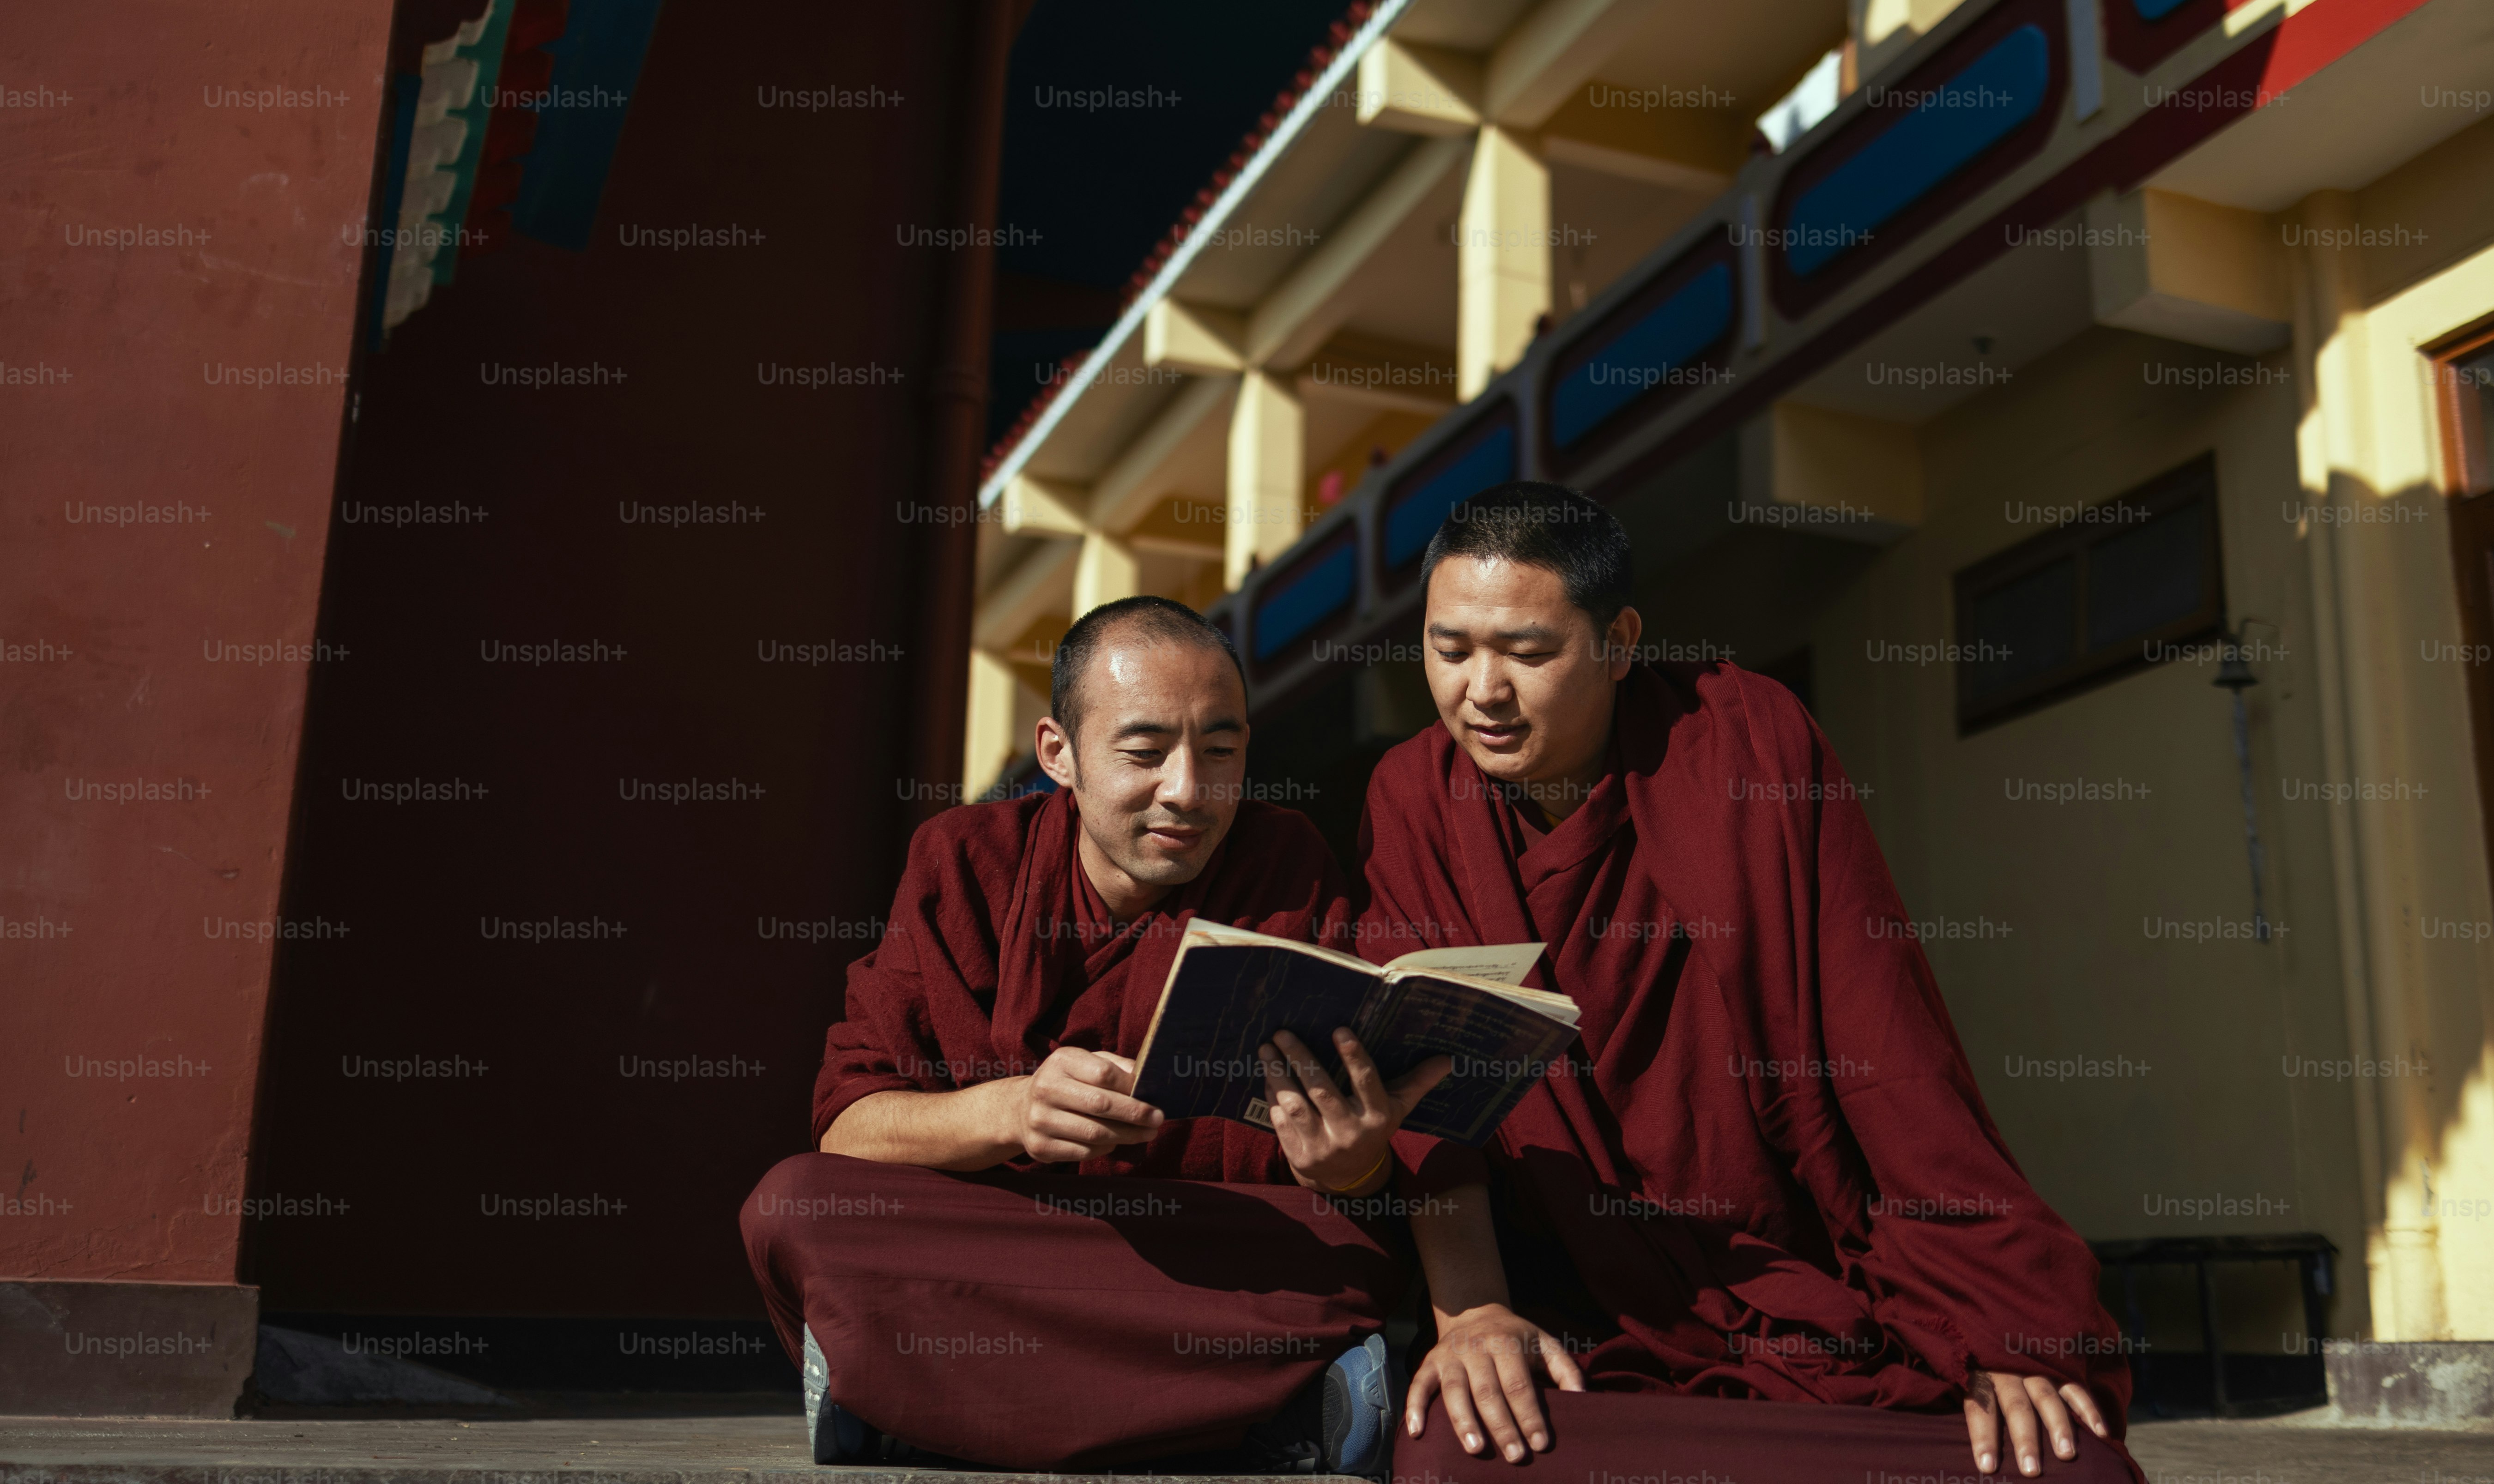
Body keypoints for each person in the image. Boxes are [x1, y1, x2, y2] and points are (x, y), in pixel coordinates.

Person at [1356, 483, 2142, 1484]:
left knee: (2070, 1461)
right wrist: (1473, 1314)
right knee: (1450, 1456)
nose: (1483, 691)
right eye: (1450, 648)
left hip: (1815, 1282)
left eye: (1529, 650)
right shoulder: (1413, 798)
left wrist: (1993, 1323)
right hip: (1599, 1308)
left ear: (1620, 637)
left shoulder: (1742, 740)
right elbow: (1437, 1101)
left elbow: (1888, 1040)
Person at [742, 596, 1446, 1474]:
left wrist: (1348, 1161)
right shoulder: (964, 863)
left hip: (1217, 1246)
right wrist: (1009, 1112)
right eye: (1145, 753)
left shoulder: (1284, 863)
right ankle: (1268, 1407)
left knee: (1354, 1248)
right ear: (1058, 754)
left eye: (1221, 752)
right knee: (799, 1206)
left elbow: (1356, 1170)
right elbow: (849, 1125)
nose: (1189, 792)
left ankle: (905, 1397)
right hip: (1020, 1238)